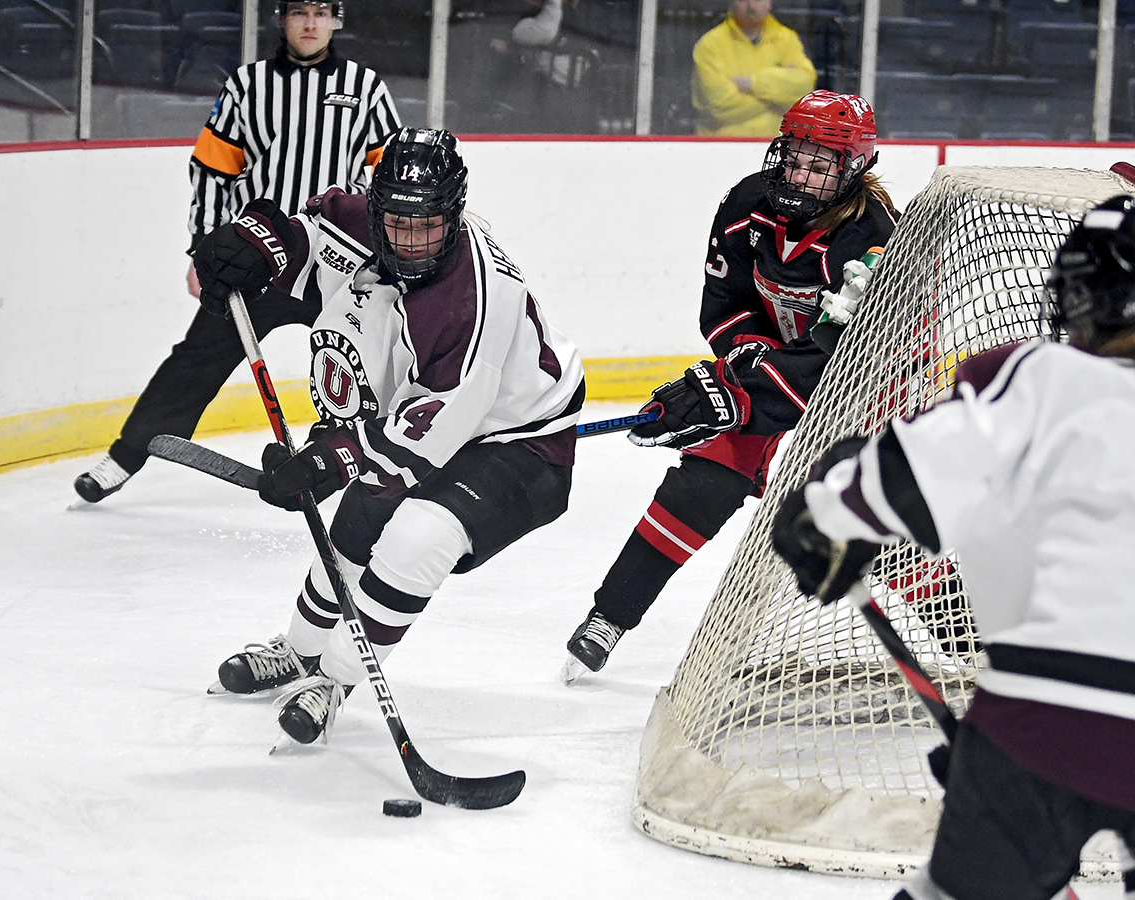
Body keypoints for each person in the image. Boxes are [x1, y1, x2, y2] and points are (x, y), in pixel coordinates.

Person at [770, 196, 1135, 900]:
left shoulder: (1053, 375)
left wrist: (822, 512)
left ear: (1083, 296)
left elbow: (906, 473)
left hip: (1056, 721)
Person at [194, 128, 586, 744]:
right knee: (357, 517)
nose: (407, 241)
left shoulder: (475, 297)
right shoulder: (364, 223)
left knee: (416, 533)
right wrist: (253, 243)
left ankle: (337, 678)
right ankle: (299, 650)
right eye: (395, 223)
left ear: (453, 216)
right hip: (426, 409)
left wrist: (326, 460)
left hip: (520, 439)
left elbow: (429, 429)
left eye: (424, 225)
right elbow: (304, 234)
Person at [559, 90, 898, 680]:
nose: (800, 174)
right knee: (706, 475)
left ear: (855, 169)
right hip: (776, 367)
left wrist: (741, 389)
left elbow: (846, 355)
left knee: (884, 520)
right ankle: (608, 618)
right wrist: (741, 373)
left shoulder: (876, 242)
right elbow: (724, 309)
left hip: (873, 383)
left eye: (821, 166)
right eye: (795, 156)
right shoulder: (747, 204)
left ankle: (969, 638)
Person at [74, 0, 402, 503]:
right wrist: (203, 249)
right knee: (197, 359)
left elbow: (387, 176)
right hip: (261, 258)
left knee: (376, 365)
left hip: (339, 264)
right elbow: (212, 171)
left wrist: (384, 254)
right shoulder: (248, 86)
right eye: (299, 13)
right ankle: (124, 457)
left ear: (336, 19)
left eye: (321, 12)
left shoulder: (365, 87)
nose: (310, 24)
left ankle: (383, 468)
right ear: (282, 19)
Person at [691, 0, 816, 137]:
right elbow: (720, 106)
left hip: (778, 146)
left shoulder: (787, 39)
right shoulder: (710, 45)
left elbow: (805, 88)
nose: (751, 6)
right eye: (743, 0)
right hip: (723, 147)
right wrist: (779, 97)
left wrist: (752, 84)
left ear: (770, 2)